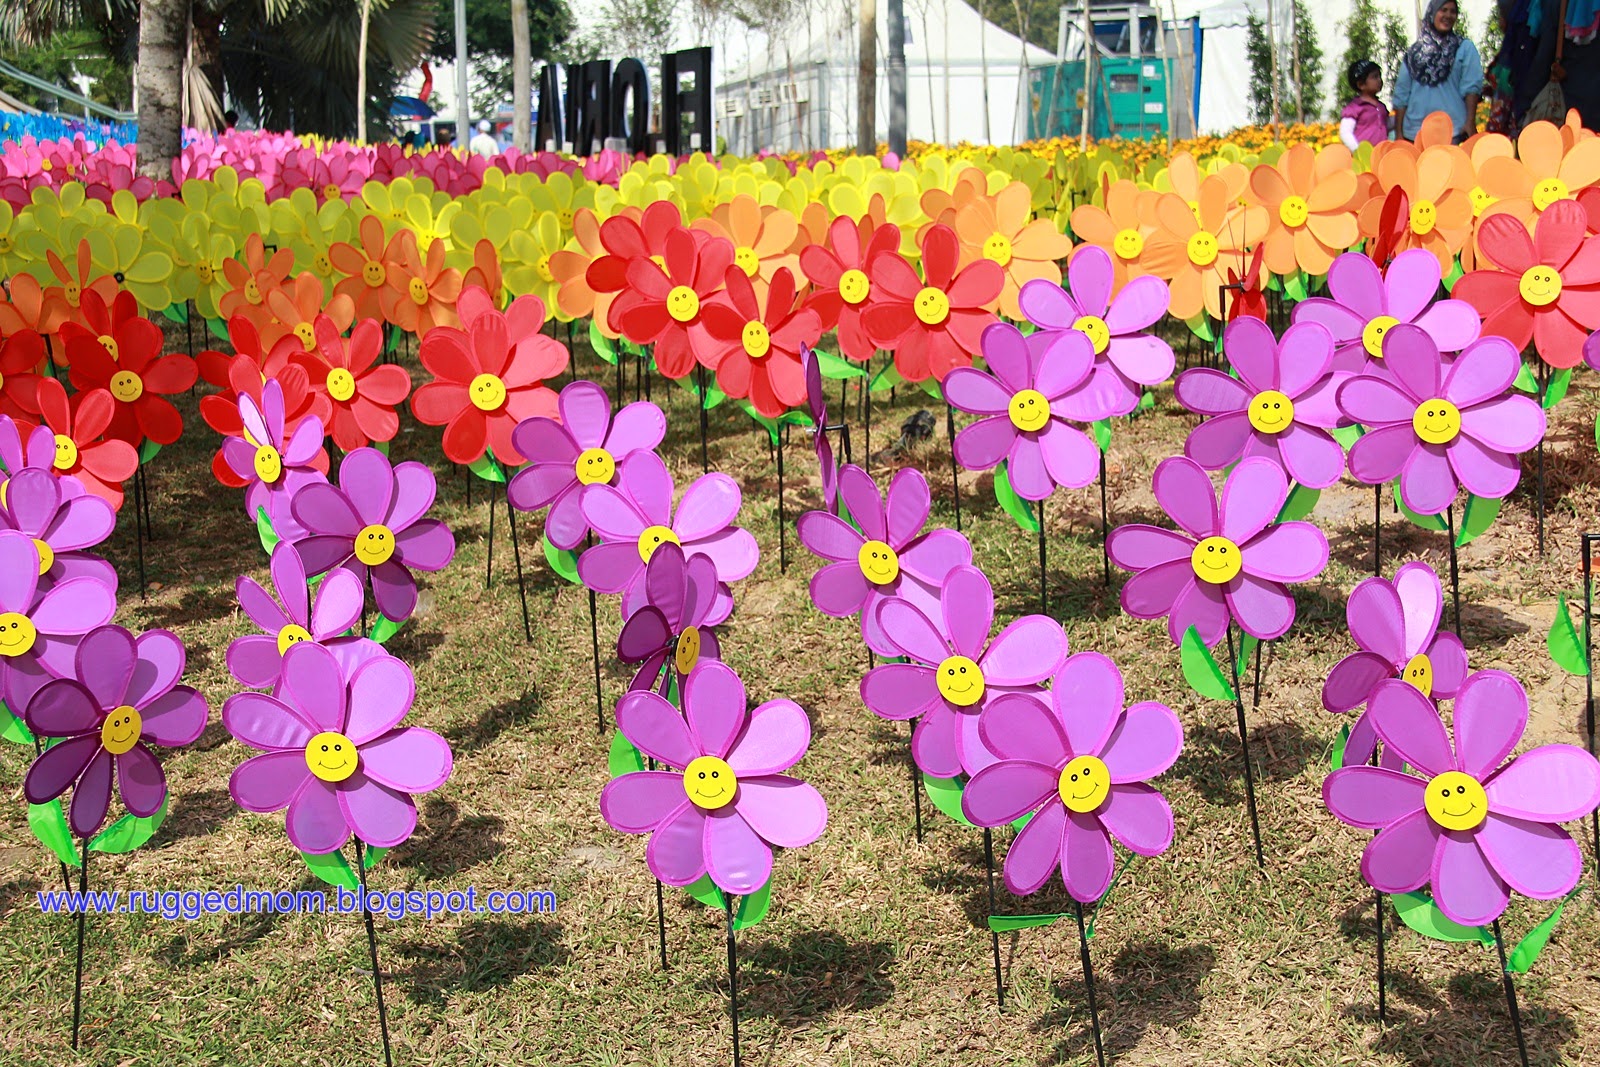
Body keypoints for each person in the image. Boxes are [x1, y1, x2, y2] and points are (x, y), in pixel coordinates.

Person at [1392, 0, 1484, 142]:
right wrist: (1399, 133)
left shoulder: (1464, 48)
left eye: (1453, 11)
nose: (1448, 15)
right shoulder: (1414, 53)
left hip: (1453, 131)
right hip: (1415, 134)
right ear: (1432, 12)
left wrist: (1470, 122)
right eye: (1443, 10)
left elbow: (1471, 88)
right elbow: (1402, 94)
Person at [1340, 61, 1390, 149]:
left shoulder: (1381, 106)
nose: (1379, 80)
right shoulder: (1355, 107)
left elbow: (1387, 123)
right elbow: (1345, 133)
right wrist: (1358, 151)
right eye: (1374, 77)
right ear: (1361, 85)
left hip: (1380, 155)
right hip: (1362, 158)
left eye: (1379, 76)